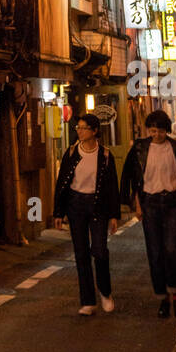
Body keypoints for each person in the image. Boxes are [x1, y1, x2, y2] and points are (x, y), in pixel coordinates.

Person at [120, 109, 176, 319]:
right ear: (149, 130)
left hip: (173, 202)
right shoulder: (140, 148)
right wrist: (137, 205)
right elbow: (136, 179)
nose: (156, 135)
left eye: (160, 131)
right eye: (153, 131)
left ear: (167, 130)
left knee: (172, 249)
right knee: (154, 251)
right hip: (150, 204)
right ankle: (162, 297)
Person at [53, 113, 121, 315]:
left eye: (83, 128)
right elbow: (61, 184)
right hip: (76, 204)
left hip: (97, 204)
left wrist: (114, 215)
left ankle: (105, 292)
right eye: (78, 128)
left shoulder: (106, 155)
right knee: (81, 253)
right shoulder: (72, 152)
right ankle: (87, 301)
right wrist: (59, 212)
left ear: (94, 131)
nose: (80, 131)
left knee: (99, 251)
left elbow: (111, 188)